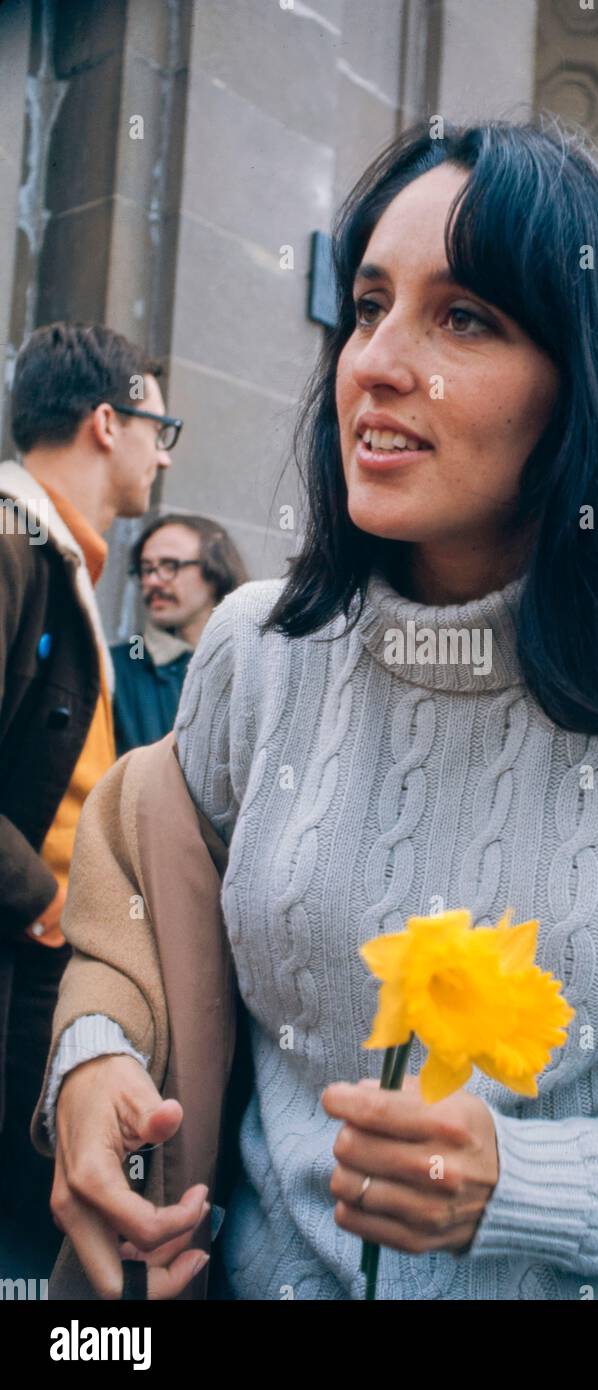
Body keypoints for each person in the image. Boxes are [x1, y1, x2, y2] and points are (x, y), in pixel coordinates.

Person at [34, 119, 598, 1302]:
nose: (378, 360)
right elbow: (134, 888)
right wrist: (92, 1056)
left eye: (465, 317)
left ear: (592, 376)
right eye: (369, 304)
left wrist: (532, 1185)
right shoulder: (259, 654)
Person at [0, 321, 178, 1279]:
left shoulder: (52, 555)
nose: (162, 448)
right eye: (159, 423)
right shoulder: (10, 542)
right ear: (108, 422)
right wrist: (46, 903)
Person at [111, 514, 248, 754]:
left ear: (215, 572)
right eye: (146, 569)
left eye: (169, 566)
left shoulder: (252, 671)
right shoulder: (113, 670)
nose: (153, 580)